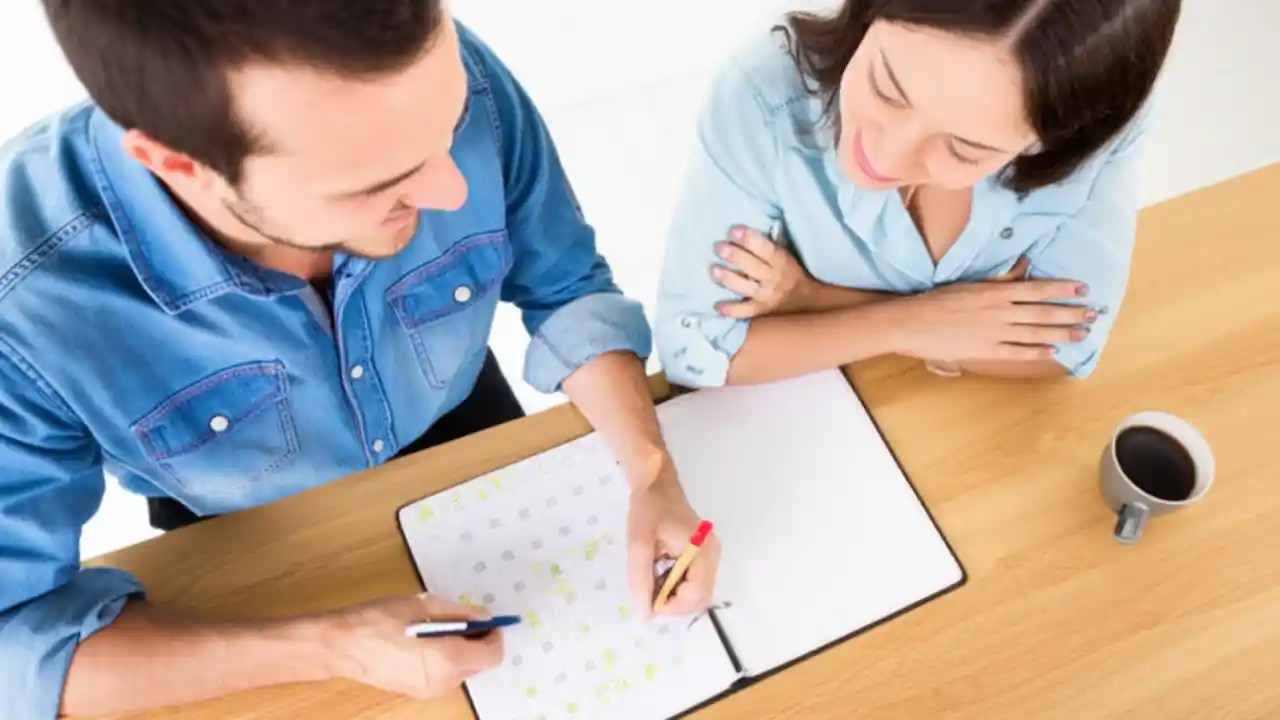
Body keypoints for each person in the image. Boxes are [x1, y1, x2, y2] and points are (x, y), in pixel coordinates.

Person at [0, 2, 720, 716]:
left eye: (451, 126)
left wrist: (650, 471)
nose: (455, 190)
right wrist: (331, 647)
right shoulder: (24, 307)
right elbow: (18, 646)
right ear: (177, 166)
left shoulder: (417, 77)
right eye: (379, 183)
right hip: (252, 532)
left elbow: (565, 288)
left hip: (456, 415)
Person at [656, 0, 1181, 387]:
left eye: (965, 150)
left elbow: (1065, 349)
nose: (883, 159)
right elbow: (695, 350)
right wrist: (924, 324)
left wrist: (815, 301)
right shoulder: (766, 90)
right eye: (886, 87)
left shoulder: (1100, 126)